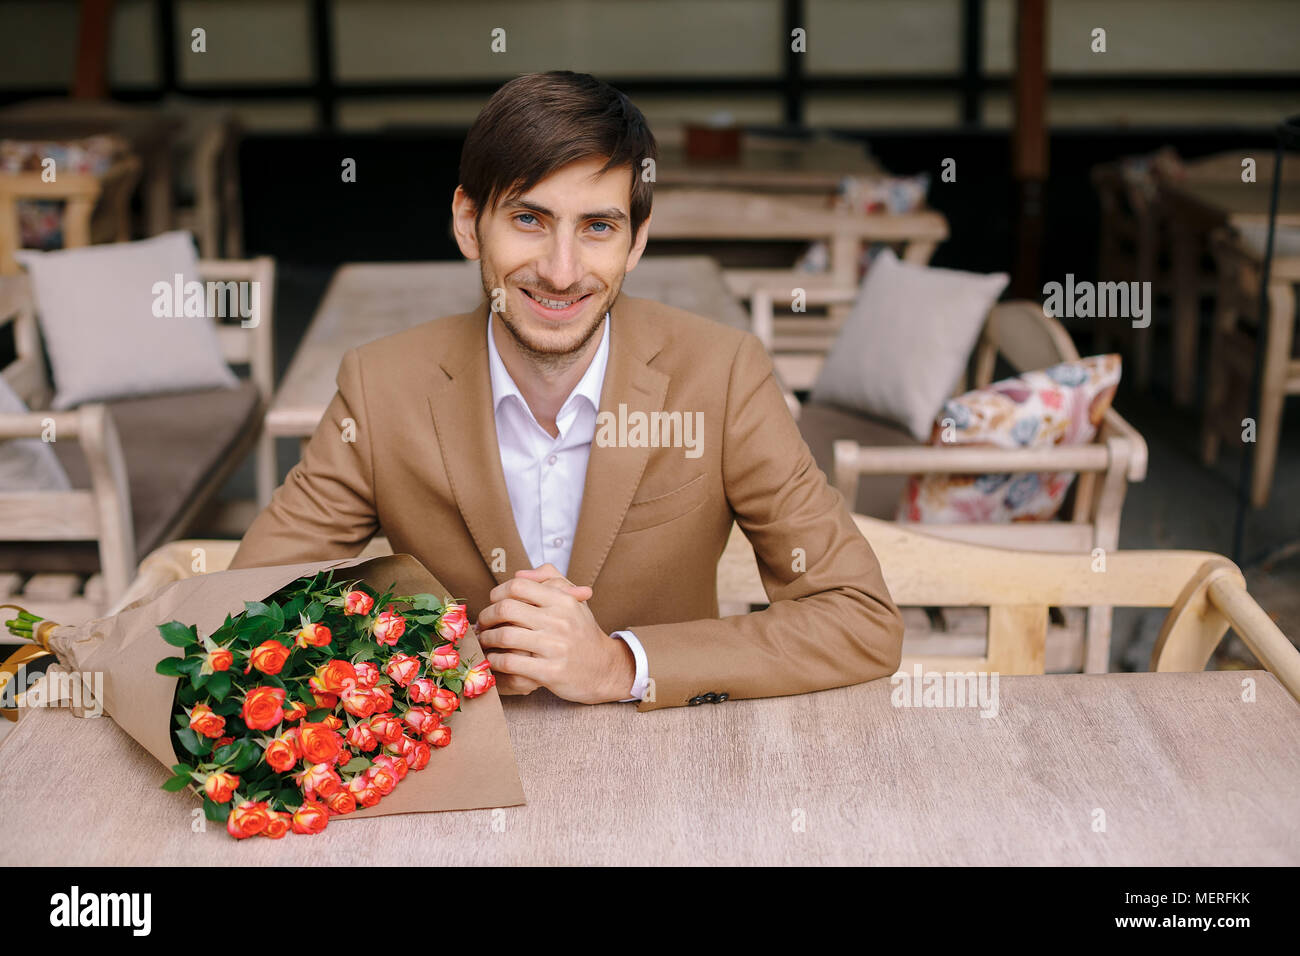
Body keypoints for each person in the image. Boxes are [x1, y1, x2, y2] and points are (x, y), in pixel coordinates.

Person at [228, 70, 904, 711]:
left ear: (637, 240)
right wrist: (446, 656)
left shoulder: (722, 375)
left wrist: (618, 665)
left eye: (598, 227)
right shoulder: (380, 387)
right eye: (529, 219)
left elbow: (860, 619)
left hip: (667, 779)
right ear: (469, 223)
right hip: (453, 775)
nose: (561, 271)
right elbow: (242, 615)